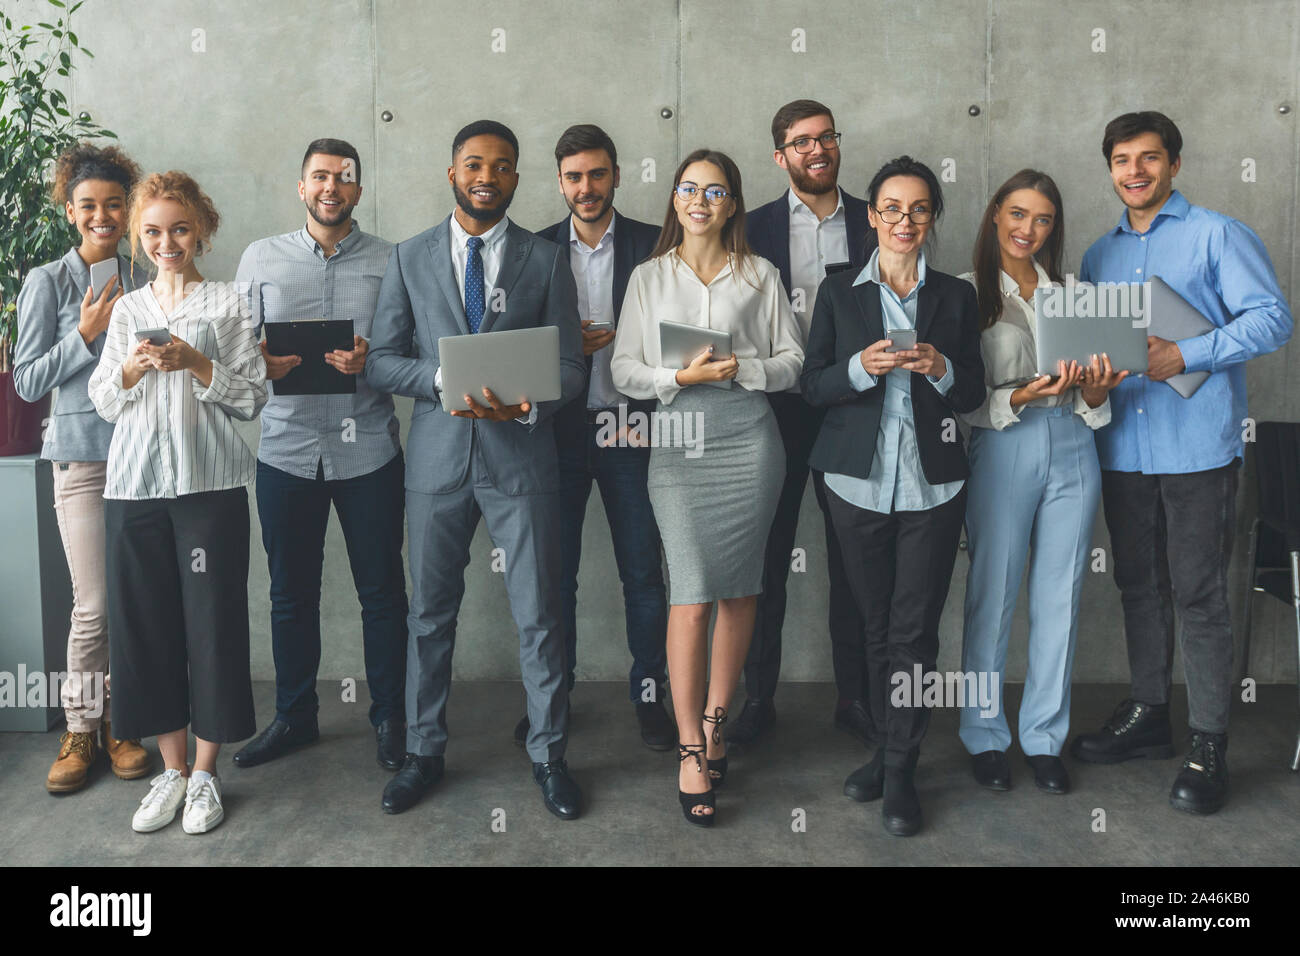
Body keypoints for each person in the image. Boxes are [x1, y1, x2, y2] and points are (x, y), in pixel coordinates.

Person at [1071, 111, 1292, 814]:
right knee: (1138, 586)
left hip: (1196, 447)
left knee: (1198, 593)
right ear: (1109, 169)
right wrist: (1092, 380)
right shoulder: (1095, 257)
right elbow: (1092, 353)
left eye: (1149, 158)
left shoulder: (1217, 234)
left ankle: (1208, 740)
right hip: (1122, 448)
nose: (1134, 171)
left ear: (1174, 164)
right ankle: (1148, 714)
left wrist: (1184, 354)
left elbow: (1272, 318)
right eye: (1122, 160)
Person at [365, 120, 587, 820]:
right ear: (452, 172)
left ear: (516, 179)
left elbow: (574, 368)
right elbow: (379, 360)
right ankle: (424, 753)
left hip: (521, 457)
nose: (485, 175)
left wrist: (531, 403)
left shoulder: (546, 260)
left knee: (540, 616)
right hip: (436, 461)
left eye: (501, 165)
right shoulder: (408, 257)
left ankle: (550, 755)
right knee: (429, 616)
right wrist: (439, 378)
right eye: (473, 164)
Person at [611, 149, 804, 826]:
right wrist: (678, 381)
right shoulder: (647, 277)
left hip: (749, 440)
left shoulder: (760, 274)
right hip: (679, 442)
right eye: (688, 188)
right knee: (690, 597)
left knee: (742, 590)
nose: (699, 200)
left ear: (731, 203)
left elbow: (793, 363)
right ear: (673, 198)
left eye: (714, 190)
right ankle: (690, 742)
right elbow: (623, 371)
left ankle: (719, 722)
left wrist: (739, 366)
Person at [801, 156, 984, 836]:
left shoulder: (956, 298)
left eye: (918, 209)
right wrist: (857, 368)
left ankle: (902, 768)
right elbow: (811, 387)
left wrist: (940, 367)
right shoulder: (839, 292)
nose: (904, 220)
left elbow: (972, 394)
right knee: (874, 629)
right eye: (891, 208)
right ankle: (885, 745)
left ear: (931, 217)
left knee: (915, 632)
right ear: (872, 215)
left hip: (934, 488)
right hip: (854, 484)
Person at [88, 171, 267, 834]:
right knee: (147, 629)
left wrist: (195, 363)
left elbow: (252, 397)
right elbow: (106, 400)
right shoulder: (128, 310)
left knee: (212, 628)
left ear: (203, 230)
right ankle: (170, 769)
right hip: (133, 491)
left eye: (181, 229)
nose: (168, 242)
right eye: (154, 232)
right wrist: (133, 368)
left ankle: (205, 775)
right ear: (138, 238)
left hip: (208, 490)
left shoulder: (227, 302)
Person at [232, 139, 408, 773]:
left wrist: (374, 362)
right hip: (286, 451)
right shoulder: (260, 258)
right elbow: (235, 351)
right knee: (289, 595)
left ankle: (391, 717)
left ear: (358, 190)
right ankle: (295, 716)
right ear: (301, 187)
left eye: (344, 178)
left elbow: (408, 355)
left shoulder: (393, 261)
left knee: (383, 593)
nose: (332, 186)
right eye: (320, 176)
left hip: (370, 455)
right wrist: (259, 359)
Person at [956, 169, 1126, 796]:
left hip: (1075, 444)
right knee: (992, 593)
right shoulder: (966, 293)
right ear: (996, 214)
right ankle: (983, 734)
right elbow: (957, 399)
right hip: (1005, 444)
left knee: (1061, 596)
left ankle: (1045, 738)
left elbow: (1094, 391)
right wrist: (1018, 396)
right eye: (1019, 215)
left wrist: (1097, 391)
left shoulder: (1073, 294)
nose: (1030, 229)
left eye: (1044, 219)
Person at [525, 124, 671, 750]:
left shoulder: (653, 243)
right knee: (554, 578)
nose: (586, 188)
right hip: (558, 431)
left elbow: (682, 328)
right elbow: (515, 344)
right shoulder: (533, 249)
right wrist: (565, 348)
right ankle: (551, 700)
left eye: (597, 174)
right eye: (574, 177)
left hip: (632, 424)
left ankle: (651, 698)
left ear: (616, 174)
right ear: (560, 182)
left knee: (642, 573)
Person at [737, 99, 875, 751]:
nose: (816, 150)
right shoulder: (751, 228)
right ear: (781, 156)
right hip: (776, 413)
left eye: (826, 137)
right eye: (801, 142)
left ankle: (856, 697)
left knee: (854, 563)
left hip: (854, 411)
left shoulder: (877, 222)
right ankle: (756, 699)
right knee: (765, 560)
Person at [14, 143, 153, 793]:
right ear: (71, 212)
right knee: (93, 605)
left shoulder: (145, 276)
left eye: (114, 204)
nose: (103, 215)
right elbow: (28, 380)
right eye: (89, 205)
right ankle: (80, 729)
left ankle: (124, 724)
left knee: (133, 601)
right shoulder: (47, 281)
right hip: (82, 462)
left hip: (145, 459)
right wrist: (86, 335)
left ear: (128, 211)